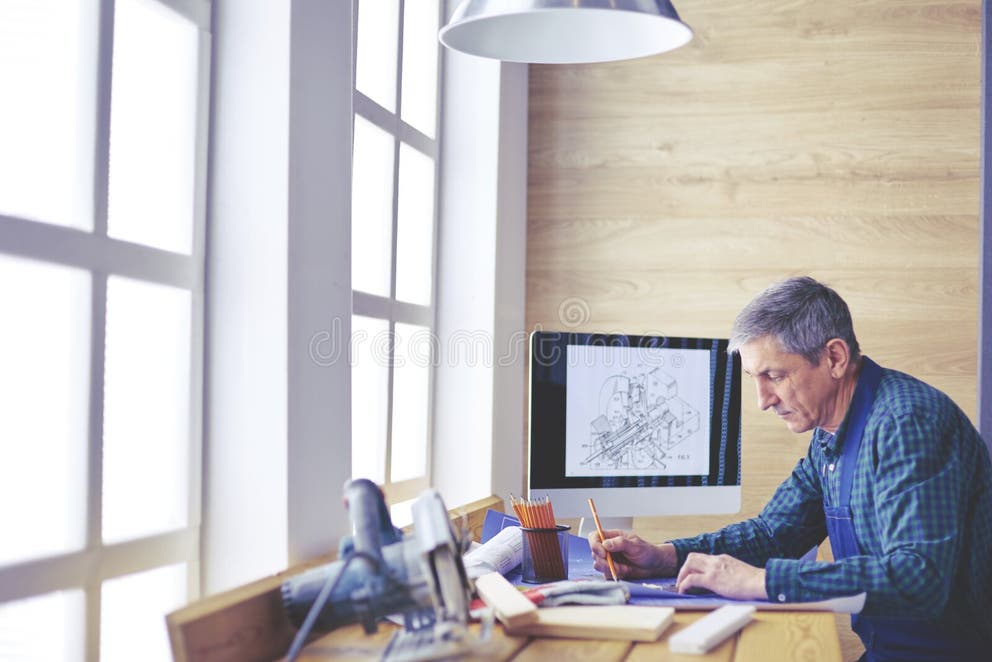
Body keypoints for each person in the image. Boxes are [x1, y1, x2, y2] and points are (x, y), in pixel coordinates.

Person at [589, 276, 992, 661]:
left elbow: (918, 578)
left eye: (774, 376)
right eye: (754, 378)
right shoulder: (831, 433)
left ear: (834, 357)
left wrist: (760, 581)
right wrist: (664, 557)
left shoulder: (907, 424)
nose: (763, 400)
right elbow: (773, 534)